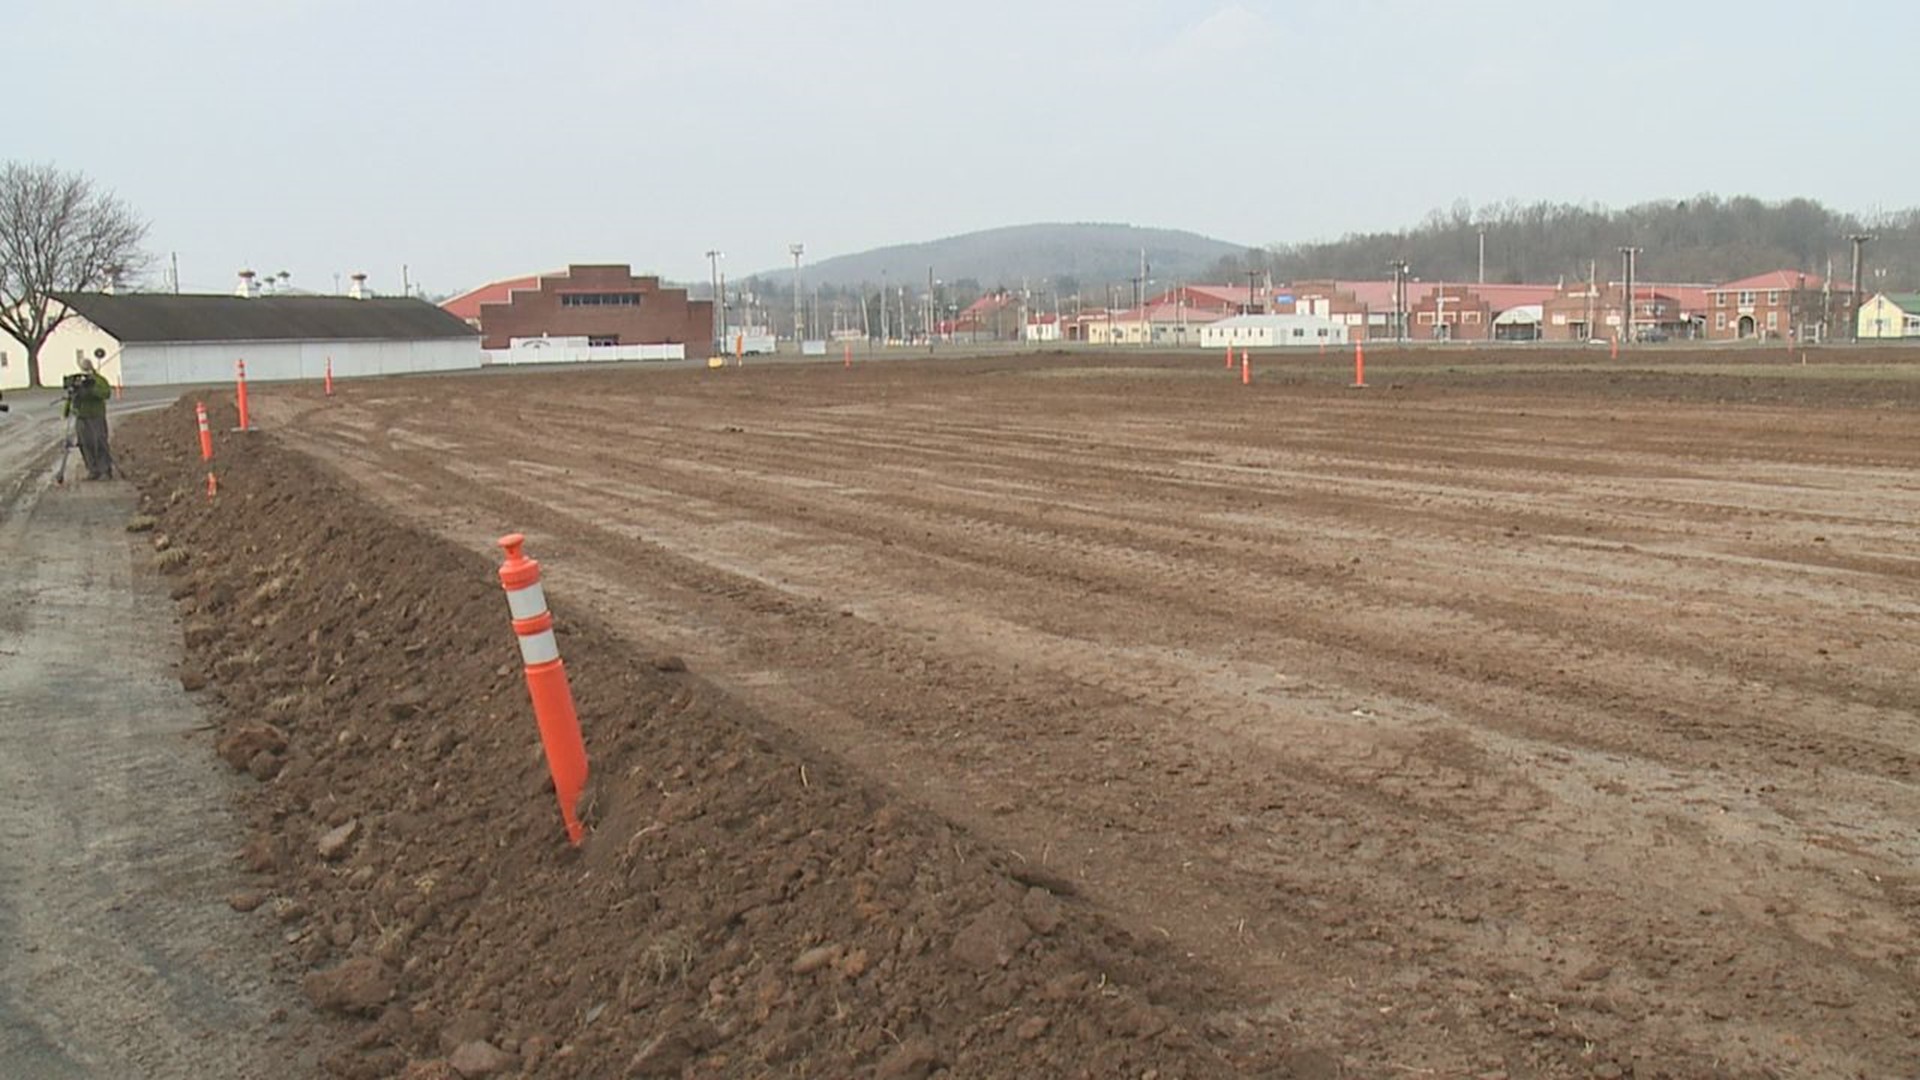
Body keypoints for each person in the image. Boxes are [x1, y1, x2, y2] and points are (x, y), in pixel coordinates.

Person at [66, 351, 115, 480]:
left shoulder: (99, 380)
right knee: (84, 443)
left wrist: (91, 390)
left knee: (100, 442)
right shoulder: (77, 380)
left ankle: (105, 470)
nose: (85, 371)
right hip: (81, 416)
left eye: (86, 368)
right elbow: (71, 398)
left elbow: (106, 394)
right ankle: (93, 470)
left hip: (96, 415)